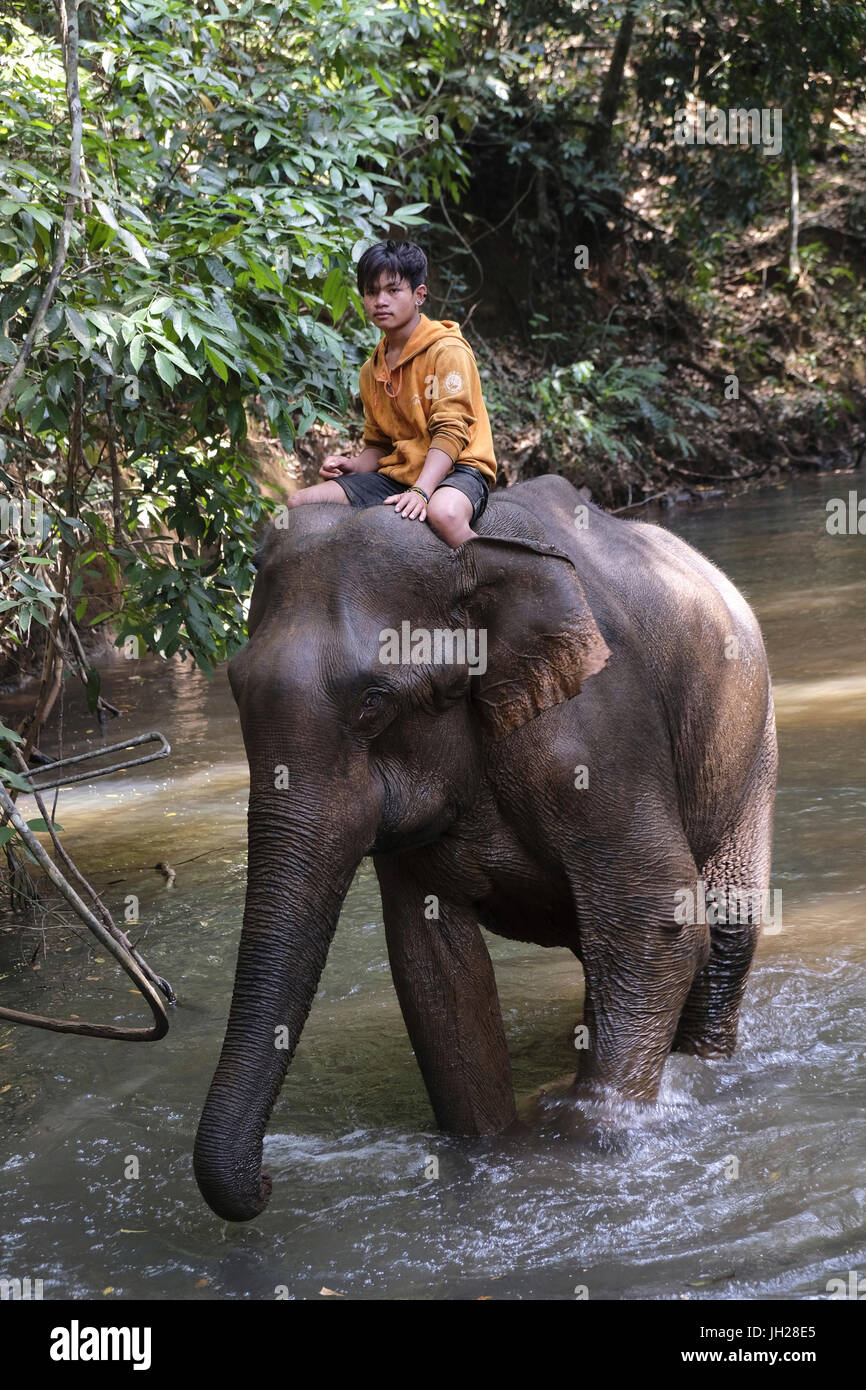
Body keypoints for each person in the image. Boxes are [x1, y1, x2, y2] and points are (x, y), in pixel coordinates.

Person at [286, 240, 497, 547]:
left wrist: (422, 492)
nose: (380, 300)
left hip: (459, 469)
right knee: (299, 503)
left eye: (393, 290)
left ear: (419, 295)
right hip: (400, 473)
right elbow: (379, 444)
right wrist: (356, 465)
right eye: (371, 292)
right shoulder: (371, 370)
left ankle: (489, 577)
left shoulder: (447, 351)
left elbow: (451, 431)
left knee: (444, 515)